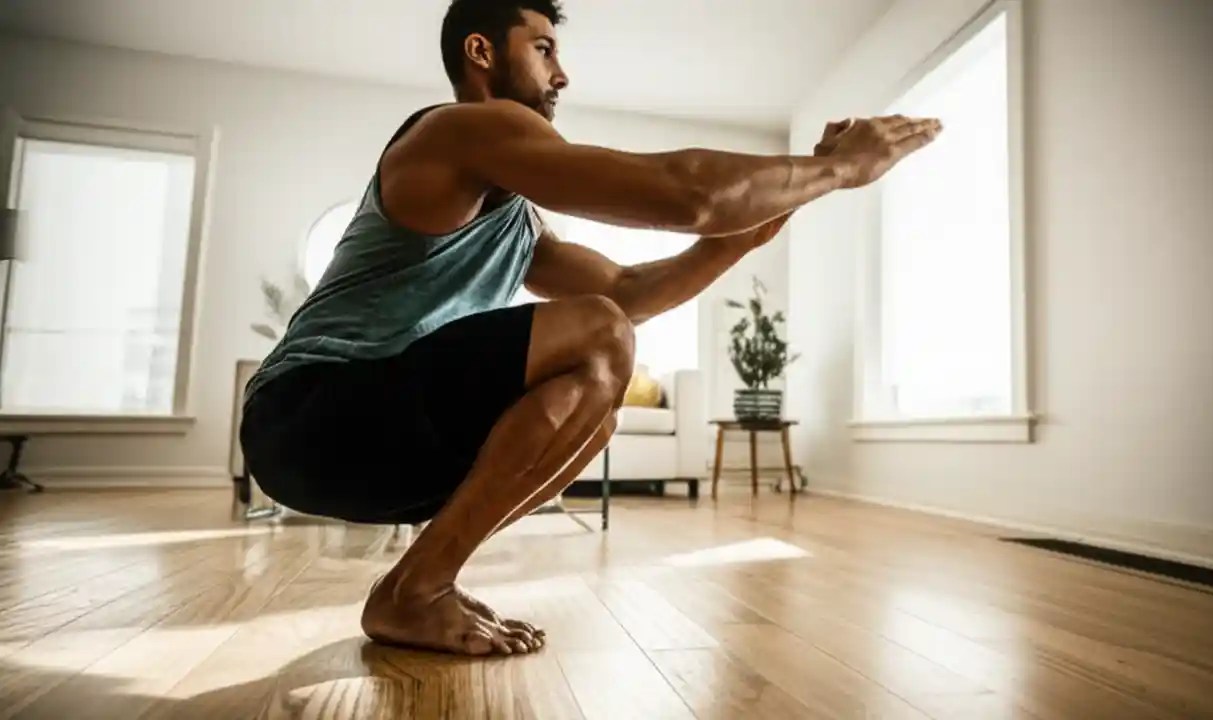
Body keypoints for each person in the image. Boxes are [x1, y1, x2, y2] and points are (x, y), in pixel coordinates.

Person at [239, 0, 941, 657]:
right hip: (307, 416)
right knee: (599, 334)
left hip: (374, 448)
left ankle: (413, 590)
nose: (561, 73)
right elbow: (686, 195)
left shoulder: (516, 225)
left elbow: (632, 290)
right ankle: (420, 590)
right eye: (543, 48)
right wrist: (835, 168)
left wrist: (789, 202)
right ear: (481, 52)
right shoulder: (459, 131)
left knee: (595, 404)